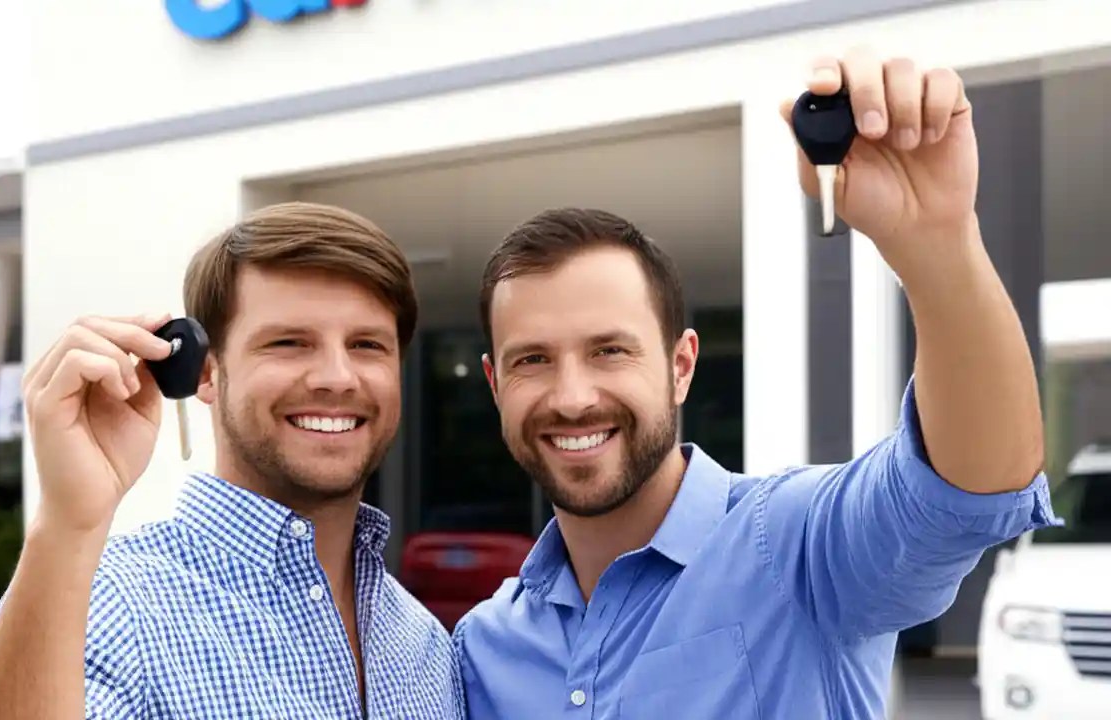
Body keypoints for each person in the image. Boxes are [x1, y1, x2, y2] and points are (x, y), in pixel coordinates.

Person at [454, 47, 1060, 719]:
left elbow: (971, 485)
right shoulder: (484, 650)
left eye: (609, 351)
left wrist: (938, 241)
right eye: (532, 360)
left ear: (680, 365)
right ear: (494, 383)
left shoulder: (801, 548)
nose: (571, 397)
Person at [0, 202, 464, 719]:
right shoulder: (106, 607)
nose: (338, 376)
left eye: (367, 345)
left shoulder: (424, 644)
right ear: (204, 374)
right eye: (289, 343)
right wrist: (66, 524)